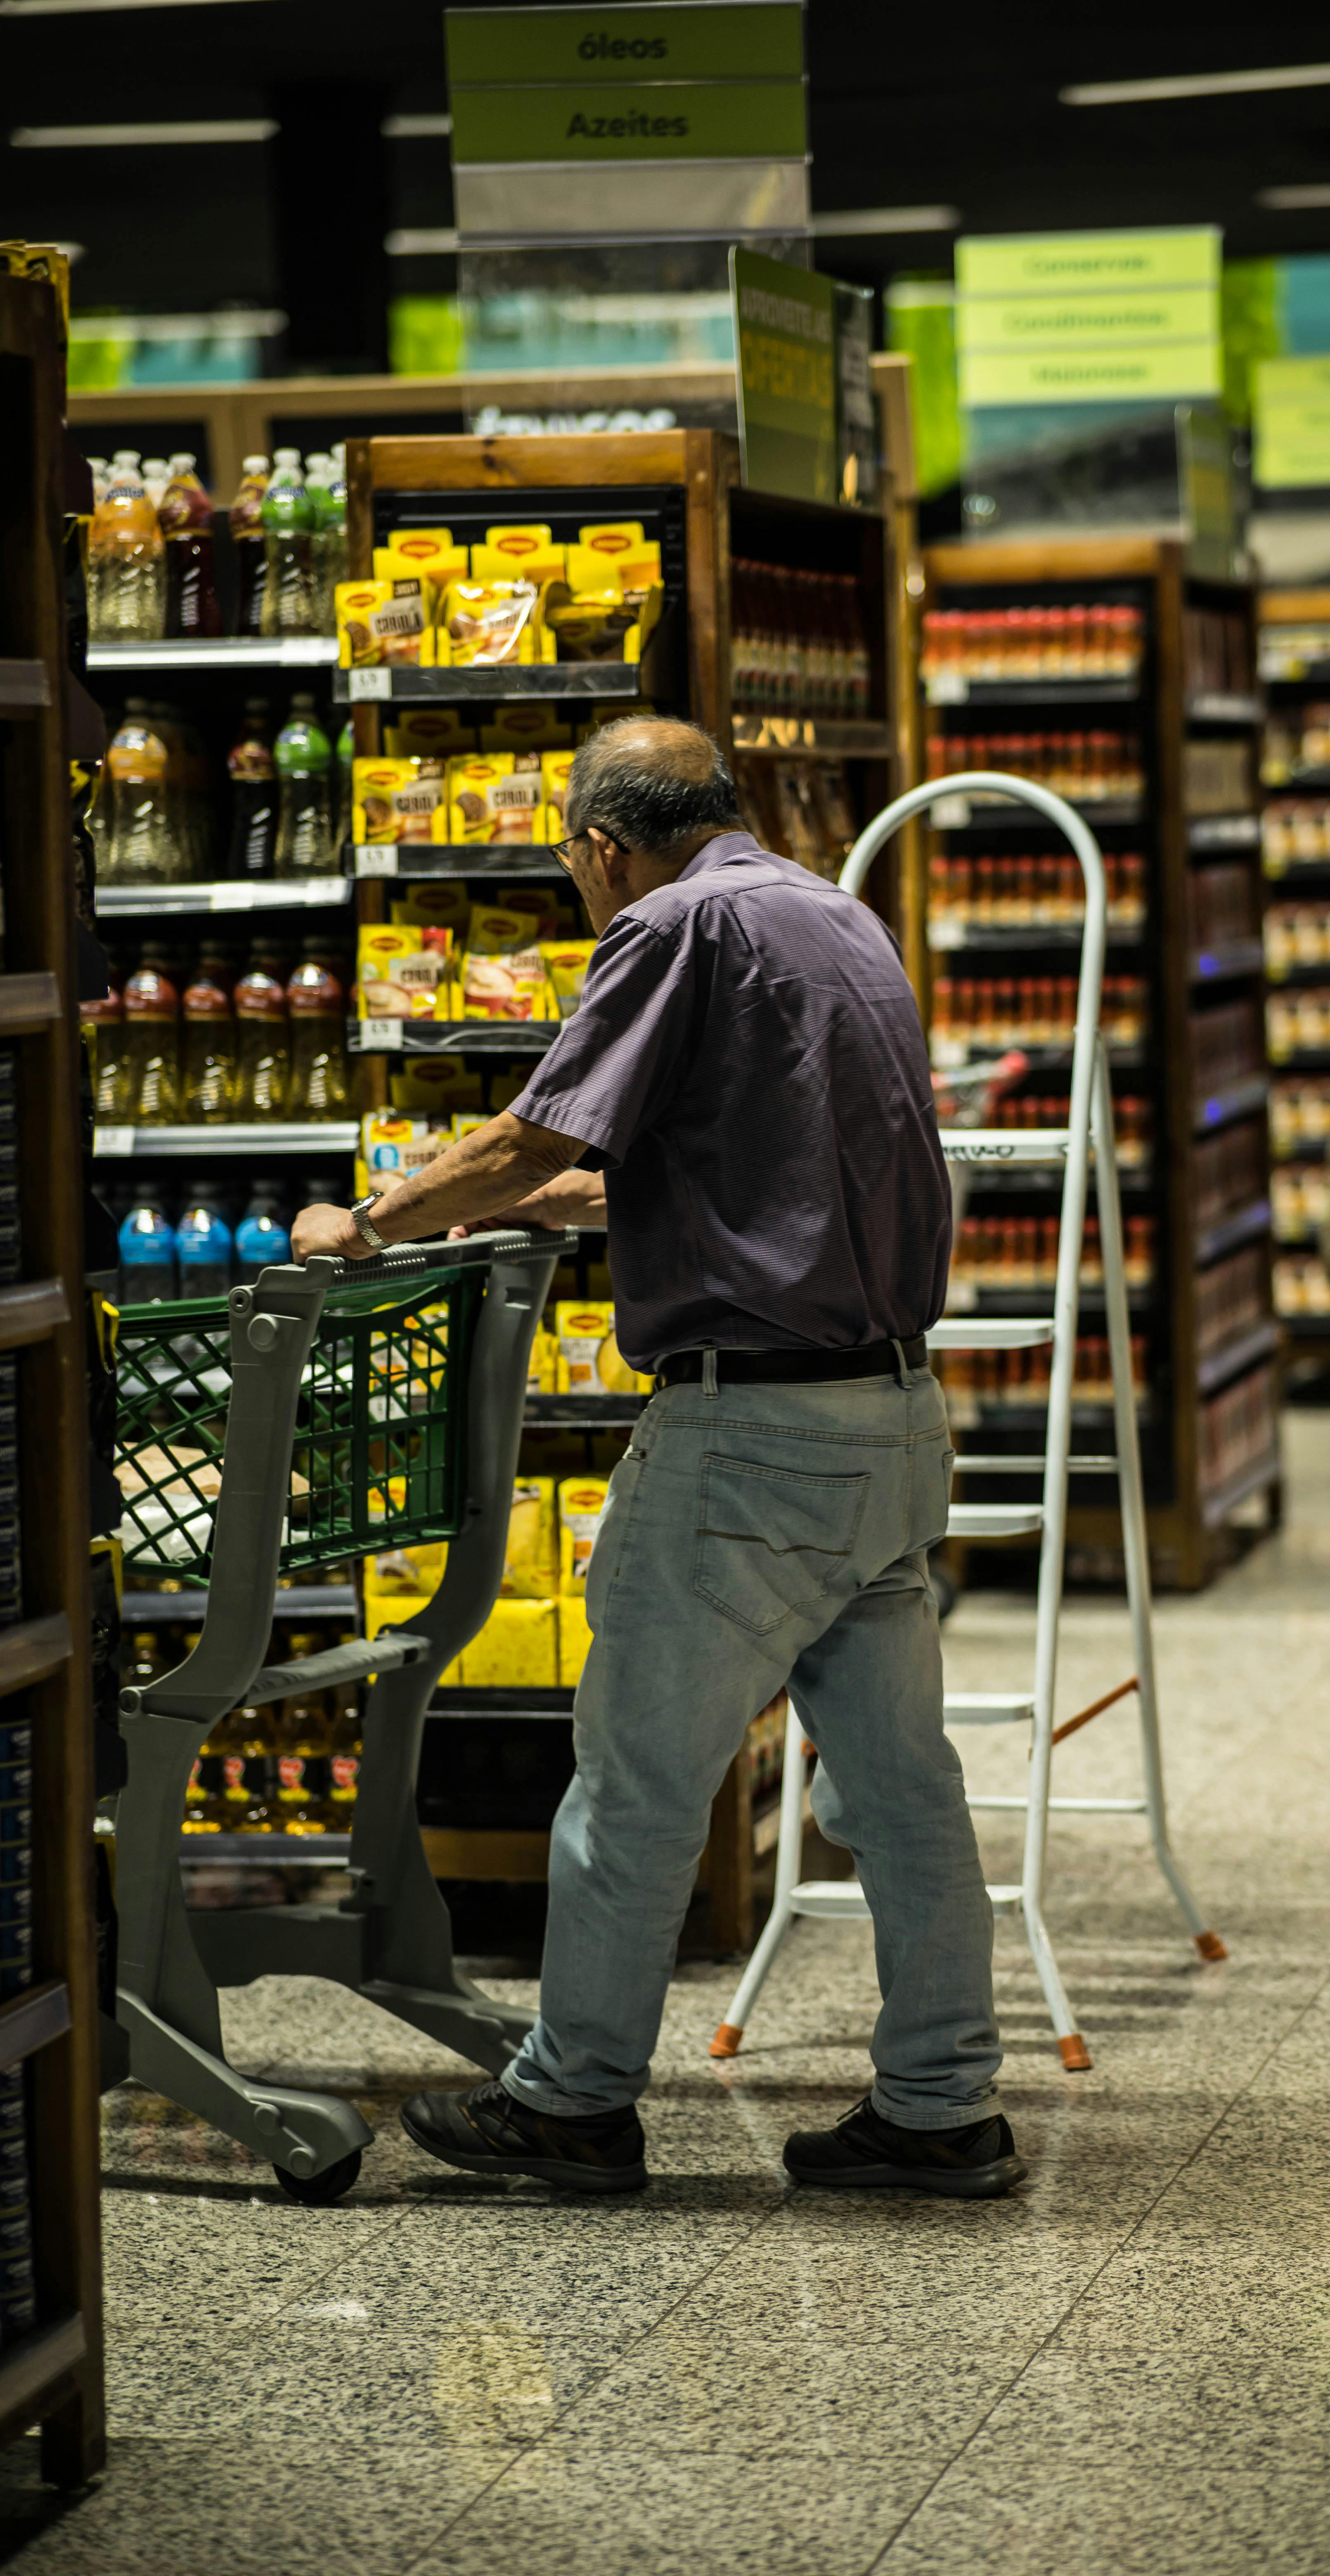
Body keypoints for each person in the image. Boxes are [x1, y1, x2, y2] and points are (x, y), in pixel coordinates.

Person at [291, 715, 1023, 2200]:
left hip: (748, 1443)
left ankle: (573, 2102)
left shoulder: (669, 925)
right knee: (904, 1794)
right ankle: (945, 2106)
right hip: (888, 1423)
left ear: (602, 845)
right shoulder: (833, 914)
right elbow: (739, 1174)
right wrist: (554, 1211)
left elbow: (520, 1136)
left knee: (632, 1784)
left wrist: (369, 1222)